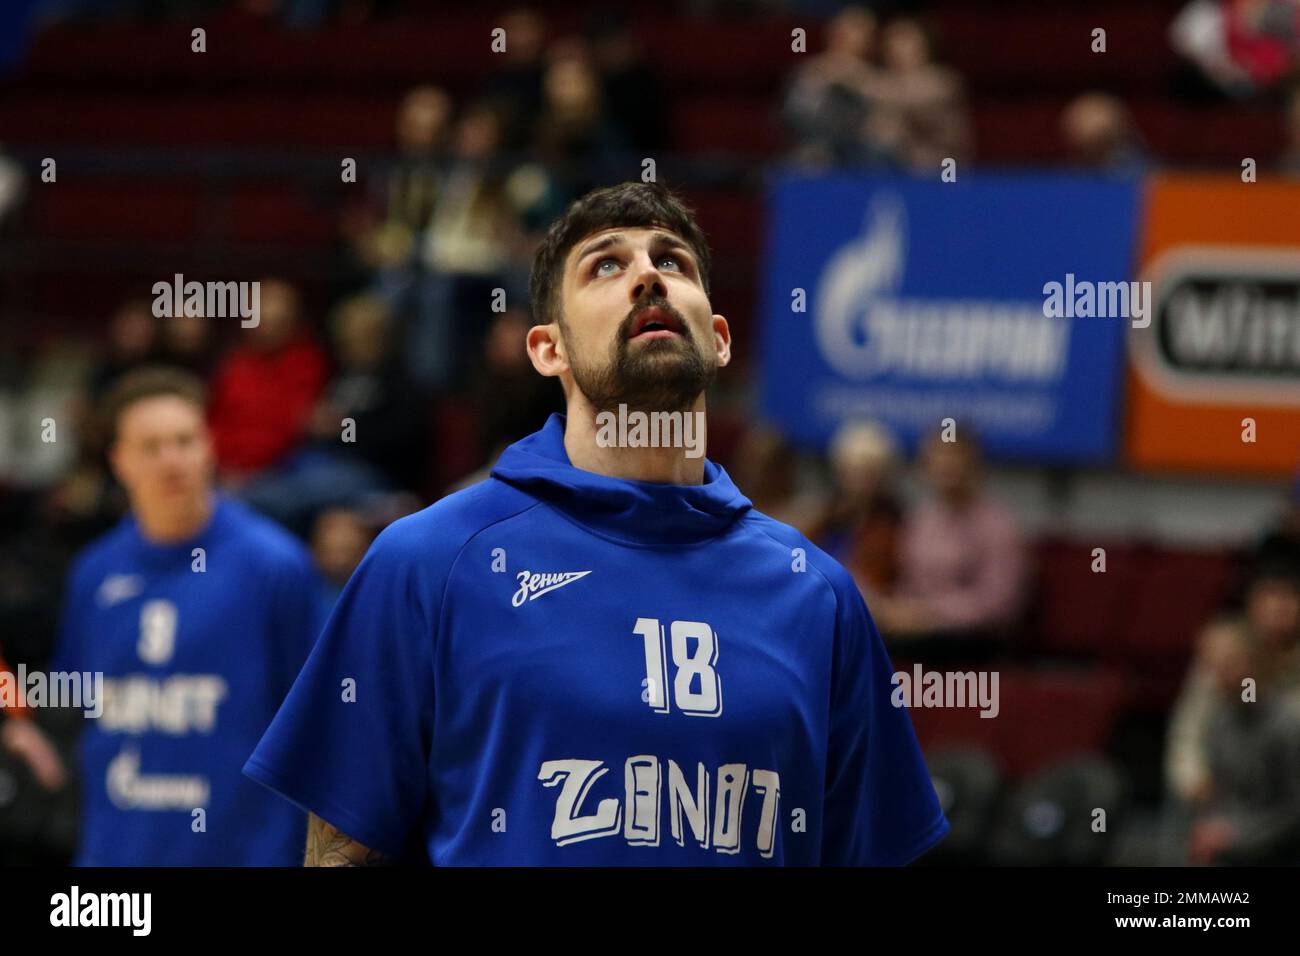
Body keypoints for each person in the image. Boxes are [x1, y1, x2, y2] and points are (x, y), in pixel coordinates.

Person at [245, 181, 948, 866]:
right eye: (605, 265)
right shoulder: (429, 560)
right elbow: (341, 851)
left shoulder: (818, 593)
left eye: (672, 261)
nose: (648, 275)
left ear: (720, 339)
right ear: (547, 349)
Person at [53, 367, 326, 865]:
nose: (172, 461)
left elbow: (316, 728)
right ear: (119, 461)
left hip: (242, 855)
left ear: (209, 447)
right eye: (151, 447)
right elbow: (76, 709)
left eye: (185, 441)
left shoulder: (274, 567)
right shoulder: (94, 573)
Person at [876, 427, 1027, 662]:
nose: (945, 464)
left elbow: (999, 603)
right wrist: (895, 610)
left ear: (974, 464)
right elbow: (909, 583)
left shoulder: (997, 525)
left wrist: (930, 613)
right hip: (917, 631)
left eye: (954, 455)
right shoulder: (921, 520)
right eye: (938, 455)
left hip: (973, 639)